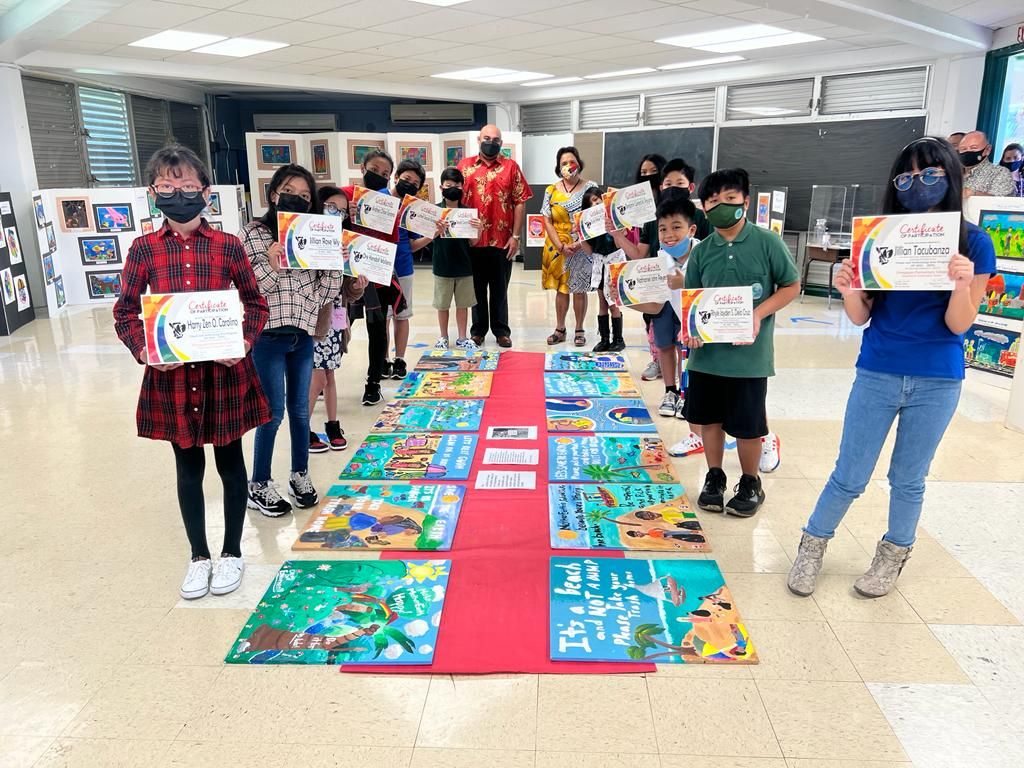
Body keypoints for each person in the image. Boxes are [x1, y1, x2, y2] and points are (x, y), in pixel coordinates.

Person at [787, 137, 995, 599]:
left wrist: (961, 284)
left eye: (931, 174)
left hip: (937, 378)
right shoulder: (881, 238)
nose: (918, 184)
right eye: (907, 177)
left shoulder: (974, 244)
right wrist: (848, 289)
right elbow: (861, 316)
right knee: (849, 474)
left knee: (908, 478)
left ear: (951, 177)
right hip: (878, 370)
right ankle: (812, 545)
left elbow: (959, 324)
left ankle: (893, 555)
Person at [113, 145, 270, 600]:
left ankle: (232, 551)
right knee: (187, 467)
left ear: (205, 192)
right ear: (153, 193)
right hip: (173, 377)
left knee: (231, 464)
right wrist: (146, 350)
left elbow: (255, 304)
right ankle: (199, 556)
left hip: (224, 374)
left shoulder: (228, 246)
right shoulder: (144, 249)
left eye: (185, 186)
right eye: (166, 186)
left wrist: (242, 342)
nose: (177, 194)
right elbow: (125, 312)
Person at [683, 168, 800, 519]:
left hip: (750, 359)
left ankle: (750, 482)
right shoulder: (702, 252)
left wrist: (758, 314)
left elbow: (791, 286)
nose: (721, 205)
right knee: (709, 421)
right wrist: (690, 330)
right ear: (704, 208)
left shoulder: (768, 243)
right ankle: (714, 477)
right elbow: (692, 301)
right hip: (707, 358)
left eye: (730, 198)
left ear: (745, 201)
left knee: (749, 426)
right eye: (713, 200)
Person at [241, 163, 343, 517]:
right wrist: (275, 262)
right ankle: (258, 484)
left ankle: (300, 475)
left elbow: (322, 293)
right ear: (273, 195)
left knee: (301, 412)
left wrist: (333, 264)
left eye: (304, 195)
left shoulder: (313, 234)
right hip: (267, 335)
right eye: (289, 192)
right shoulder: (254, 233)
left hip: (302, 335)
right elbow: (253, 288)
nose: (296, 199)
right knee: (271, 414)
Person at [343, 150, 408, 406]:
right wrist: (342, 213)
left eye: (385, 173)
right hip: (344, 277)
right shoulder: (345, 194)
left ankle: (373, 382)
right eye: (374, 170)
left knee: (378, 330)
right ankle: (323, 377)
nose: (379, 175)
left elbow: (392, 241)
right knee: (338, 327)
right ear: (362, 168)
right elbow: (321, 214)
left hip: (376, 276)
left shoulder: (388, 204)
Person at [458, 124, 532, 348]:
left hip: (502, 241)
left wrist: (516, 237)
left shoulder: (511, 167)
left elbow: (520, 202)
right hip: (473, 241)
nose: (491, 142)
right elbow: (455, 200)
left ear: (501, 143)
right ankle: (478, 331)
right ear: (479, 140)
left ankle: (501, 331)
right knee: (477, 289)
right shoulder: (464, 167)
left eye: (496, 140)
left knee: (500, 289)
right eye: (487, 138)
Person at [308, 186, 368, 454]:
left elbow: (349, 291)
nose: (336, 214)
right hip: (313, 321)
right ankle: (302, 428)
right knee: (317, 379)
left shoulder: (345, 242)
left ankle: (333, 425)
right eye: (331, 207)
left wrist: (357, 285)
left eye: (342, 211)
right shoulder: (307, 238)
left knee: (329, 375)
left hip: (335, 319)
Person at [541, 147, 599, 346]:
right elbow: (547, 220)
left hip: (582, 245)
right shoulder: (550, 190)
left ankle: (580, 329)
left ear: (579, 164)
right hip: (557, 247)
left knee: (579, 289)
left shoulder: (590, 187)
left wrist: (579, 243)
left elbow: (596, 216)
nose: (568, 166)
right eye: (564, 163)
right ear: (558, 167)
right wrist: (560, 246)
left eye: (572, 161)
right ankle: (560, 329)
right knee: (561, 289)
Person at [388, 159, 435, 378]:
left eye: (415, 183)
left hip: (403, 268)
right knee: (382, 318)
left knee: (402, 315)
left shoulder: (412, 208)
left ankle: (399, 359)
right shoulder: (378, 198)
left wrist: (433, 234)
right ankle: (383, 359)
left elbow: (413, 244)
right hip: (378, 268)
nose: (410, 184)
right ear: (396, 177)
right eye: (407, 179)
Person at [432, 167, 482, 349]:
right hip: (442, 266)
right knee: (442, 305)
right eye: (449, 185)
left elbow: (474, 242)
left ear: (462, 188)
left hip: (464, 266)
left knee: (463, 304)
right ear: (441, 187)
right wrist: (436, 229)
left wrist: (479, 229)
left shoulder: (468, 212)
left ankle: (462, 337)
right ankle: (443, 337)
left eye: (457, 185)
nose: (453, 188)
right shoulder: (435, 211)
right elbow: (429, 237)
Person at [576, 187, 625, 352]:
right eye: (591, 203)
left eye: (597, 199)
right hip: (599, 264)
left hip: (614, 263)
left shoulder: (613, 220)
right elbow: (589, 251)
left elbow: (619, 244)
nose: (595, 204)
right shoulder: (589, 226)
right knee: (602, 303)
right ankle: (604, 339)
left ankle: (618, 339)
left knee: (613, 303)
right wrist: (581, 235)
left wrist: (617, 231)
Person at [959, 130, 1015, 197]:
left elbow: (1001, 201)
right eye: (963, 149)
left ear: (987, 149)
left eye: (973, 148)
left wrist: (973, 193)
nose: (968, 151)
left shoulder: (999, 173)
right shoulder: (954, 172)